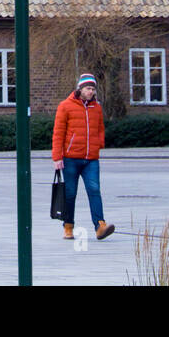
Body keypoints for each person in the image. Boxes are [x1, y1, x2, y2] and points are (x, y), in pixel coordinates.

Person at [52, 73, 114, 240]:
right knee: (70, 193)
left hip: (91, 158)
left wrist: (99, 143)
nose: (91, 92)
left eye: (93, 89)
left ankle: (100, 225)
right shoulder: (65, 106)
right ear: (80, 89)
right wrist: (57, 157)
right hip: (71, 158)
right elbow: (58, 133)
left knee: (94, 190)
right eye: (88, 88)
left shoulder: (97, 108)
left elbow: (100, 128)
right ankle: (68, 226)